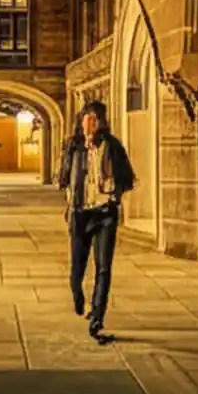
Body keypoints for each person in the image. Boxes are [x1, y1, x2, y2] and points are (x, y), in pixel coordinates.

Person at [57, 100, 135, 342]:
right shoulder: (74, 146)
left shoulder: (112, 146)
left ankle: (98, 316)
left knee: (103, 267)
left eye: (95, 119)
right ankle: (78, 295)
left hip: (104, 213)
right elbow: (64, 178)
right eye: (87, 118)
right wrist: (69, 200)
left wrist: (114, 195)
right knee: (77, 267)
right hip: (80, 213)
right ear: (81, 122)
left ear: (101, 122)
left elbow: (127, 178)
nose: (90, 123)